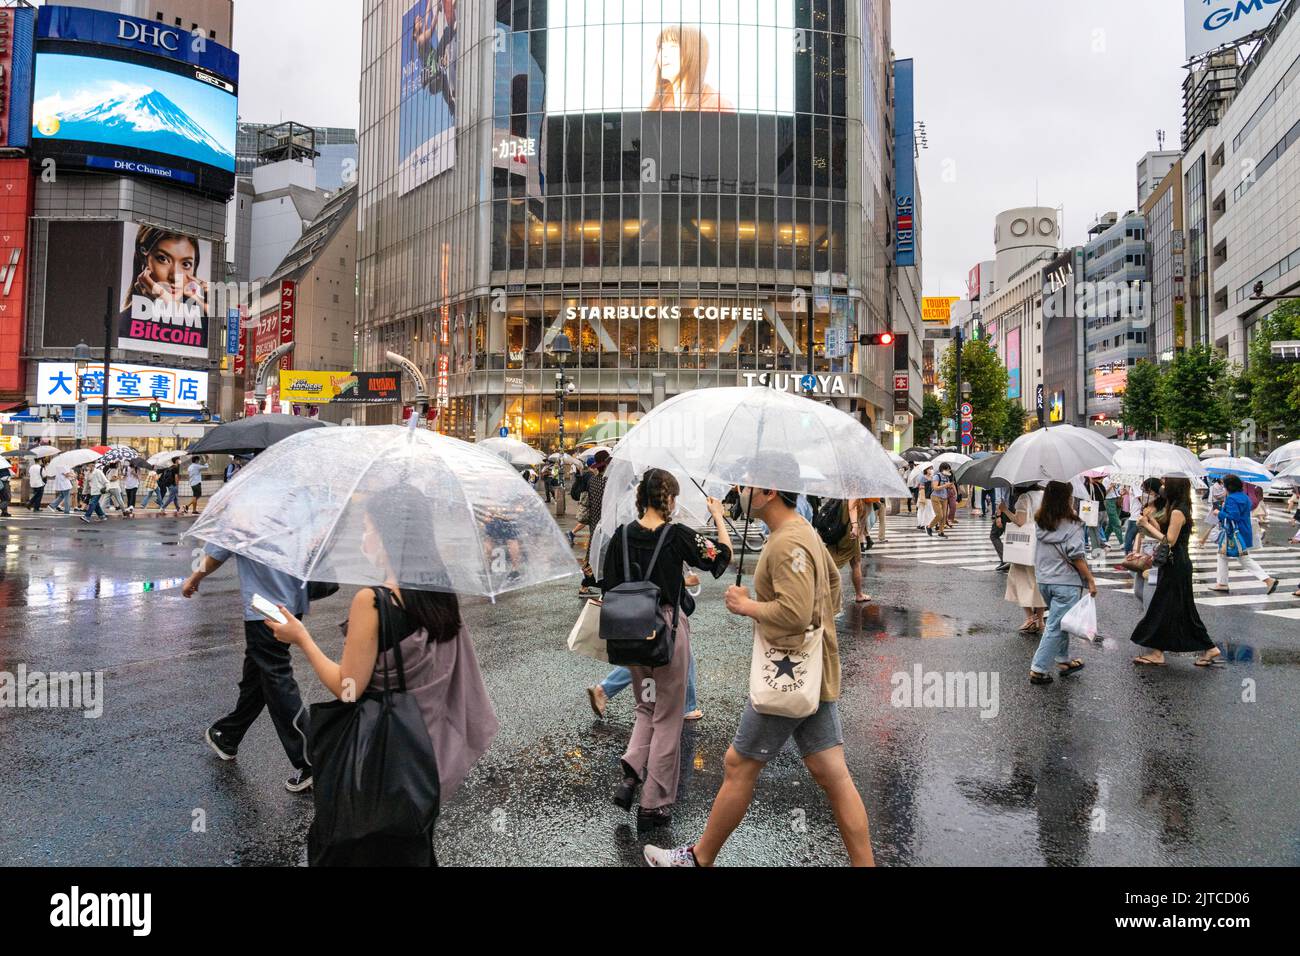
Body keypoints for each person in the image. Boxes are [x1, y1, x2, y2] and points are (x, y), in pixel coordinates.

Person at [645, 456, 875, 868]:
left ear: (769, 492)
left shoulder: (786, 542)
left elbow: (796, 612)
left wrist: (748, 605)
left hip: (786, 676)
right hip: (813, 671)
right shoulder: (802, 532)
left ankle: (699, 859)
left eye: (748, 485)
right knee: (832, 772)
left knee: (738, 764)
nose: (741, 491)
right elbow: (834, 591)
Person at [264, 495, 499, 865]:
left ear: (388, 536)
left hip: (382, 765)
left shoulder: (373, 602)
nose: (364, 538)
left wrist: (302, 640)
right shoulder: (439, 593)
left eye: (368, 528)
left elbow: (348, 689)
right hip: (427, 761)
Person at [599, 471, 732, 830]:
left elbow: (607, 585)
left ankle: (632, 773)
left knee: (646, 706)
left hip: (630, 633)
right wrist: (718, 516)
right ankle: (653, 803)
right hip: (667, 634)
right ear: (669, 500)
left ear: (641, 498)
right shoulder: (677, 537)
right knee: (669, 716)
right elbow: (720, 558)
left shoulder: (620, 537)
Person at [184, 544, 315, 792]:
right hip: (293, 602)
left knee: (277, 680)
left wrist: (194, 578)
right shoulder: (295, 506)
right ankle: (228, 736)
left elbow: (216, 553)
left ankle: (311, 761)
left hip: (263, 608)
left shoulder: (245, 510)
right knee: (258, 676)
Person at [1131, 477, 1220, 668]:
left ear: (1173, 487)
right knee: (1180, 609)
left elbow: (1169, 540)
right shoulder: (1176, 507)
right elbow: (1164, 532)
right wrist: (1150, 520)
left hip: (1176, 564)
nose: (1162, 488)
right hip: (1174, 564)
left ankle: (1157, 653)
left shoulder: (1179, 510)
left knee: (1162, 606)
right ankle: (1208, 648)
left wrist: (1146, 526)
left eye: (1165, 484)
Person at [1029, 481, 1097, 685]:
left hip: (1044, 580)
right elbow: (1076, 555)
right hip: (1065, 582)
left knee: (1061, 621)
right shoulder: (1073, 524)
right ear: (1067, 498)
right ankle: (1038, 669)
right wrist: (1090, 580)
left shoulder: (1041, 520)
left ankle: (1064, 660)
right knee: (1056, 626)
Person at [1209, 474, 1281, 596]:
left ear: (1228, 487)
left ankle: (1268, 580)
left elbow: (1233, 517)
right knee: (1223, 555)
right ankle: (1222, 583)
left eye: (1224, 485)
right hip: (1243, 531)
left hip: (1235, 533)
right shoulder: (1244, 497)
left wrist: (1218, 513)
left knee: (1242, 558)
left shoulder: (1232, 499)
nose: (1223, 488)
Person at [646, 25, 736, 113]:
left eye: (673, 46)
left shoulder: (717, 105)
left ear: (694, 53)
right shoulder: (657, 105)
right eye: (661, 47)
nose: (663, 54)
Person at [1000, 483, 1047, 634]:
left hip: (1025, 545)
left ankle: (1029, 618)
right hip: (1042, 543)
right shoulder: (1044, 495)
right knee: (1037, 582)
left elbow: (1020, 521)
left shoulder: (1024, 498)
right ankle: (1040, 620)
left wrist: (1004, 510)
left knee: (1018, 580)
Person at [577, 451, 611, 598]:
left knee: (594, 556)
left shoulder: (593, 480)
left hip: (595, 523)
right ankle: (605, 589)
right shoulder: (609, 481)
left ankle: (585, 585)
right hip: (608, 524)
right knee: (606, 558)